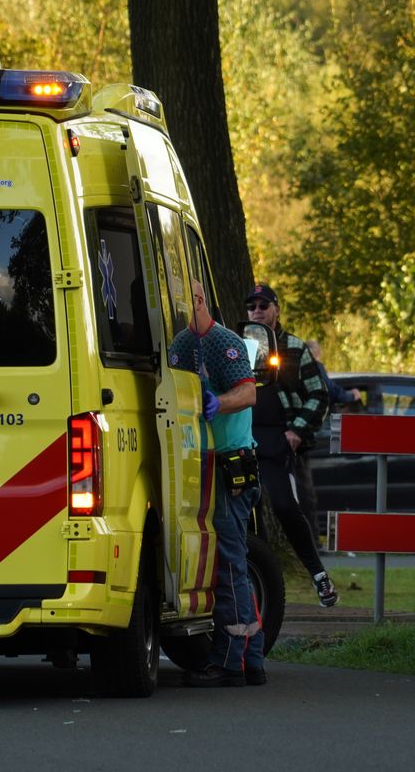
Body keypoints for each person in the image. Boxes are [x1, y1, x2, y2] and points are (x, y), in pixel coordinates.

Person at [169, 281, 265, 687]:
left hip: (230, 465)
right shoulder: (180, 342)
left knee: (229, 564)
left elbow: (247, 393)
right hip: (204, 462)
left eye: (186, 299)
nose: (181, 306)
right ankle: (251, 662)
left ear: (200, 300)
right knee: (228, 562)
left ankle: (232, 661)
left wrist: (217, 404)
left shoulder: (224, 343)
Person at [244, 283, 339, 607]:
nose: (257, 311)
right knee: (245, 509)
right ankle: (257, 580)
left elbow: (320, 394)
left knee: (285, 506)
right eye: (251, 306)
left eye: (263, 305)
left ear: (276, 309)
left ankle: (318, 574)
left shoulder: (296, 348)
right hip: (243, 438)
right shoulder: (240, 346)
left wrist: (297, 430)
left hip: (279, 440)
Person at [295, 340, 362, 544]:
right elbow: (330, 391)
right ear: (315, 353)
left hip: (302, 433)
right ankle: (313, 540)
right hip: (311, 436)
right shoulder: (315, 368)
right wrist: (352, 395)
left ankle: (311, 538)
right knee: (306, 493)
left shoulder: (295, 371)